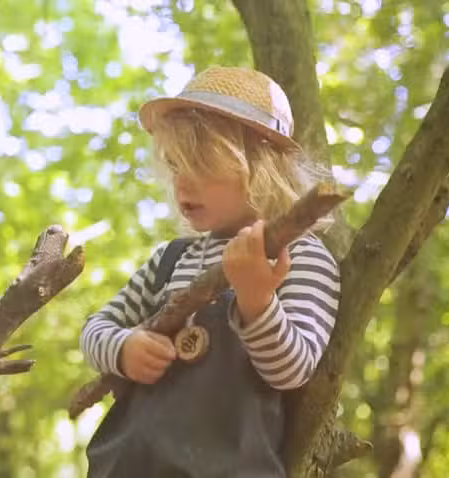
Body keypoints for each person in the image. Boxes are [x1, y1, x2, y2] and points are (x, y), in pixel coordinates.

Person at [79, 66, 341, 478]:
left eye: (201, 165)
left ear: (260, 166)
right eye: (175, 165)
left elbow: (293, 369)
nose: (183, 184)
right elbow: (96, 328)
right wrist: (124, 347)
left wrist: (257, 301)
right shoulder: (170, 260)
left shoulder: (303, 257)